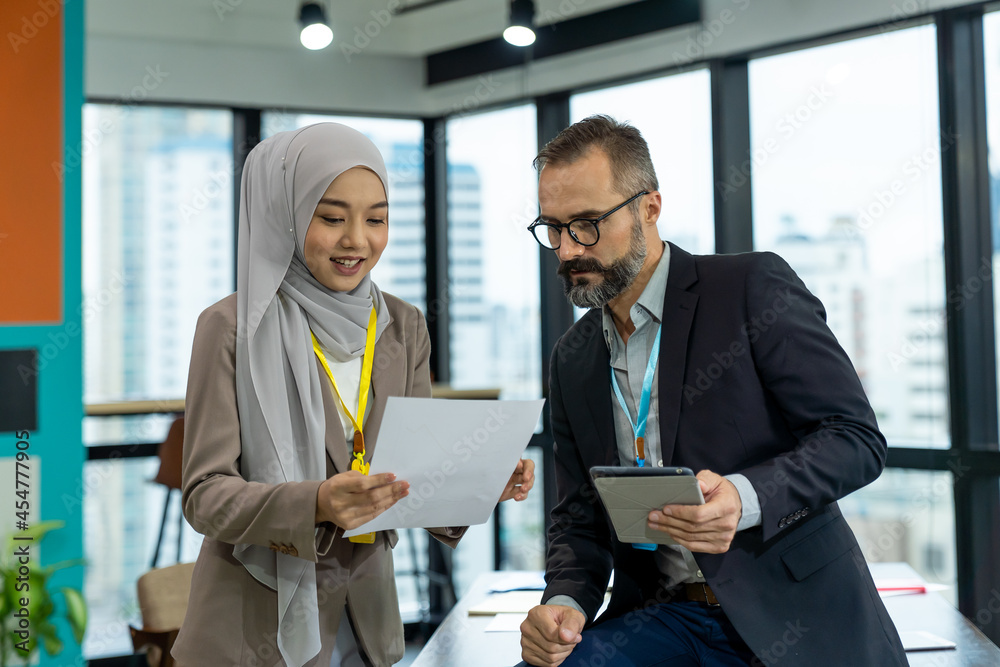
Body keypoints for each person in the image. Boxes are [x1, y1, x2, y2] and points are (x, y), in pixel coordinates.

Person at [517, 115, 907, 667]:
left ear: (648, 208)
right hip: (664, 617)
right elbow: (578, 517)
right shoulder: (573, 357)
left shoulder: (750, 288)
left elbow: (855, 438)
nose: (565, 251)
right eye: (552, 228)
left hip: (792, 614)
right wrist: (565, 602)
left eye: (586, 224)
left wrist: (746, 498)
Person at [170, 122, 534, 667]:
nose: (357, 240)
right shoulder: (230, 328)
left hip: (367, 624)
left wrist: (481, 479)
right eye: (332, 217)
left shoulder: (403, 326)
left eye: (377, 219)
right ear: (287, 216)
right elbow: (205, 495)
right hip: (251, 631)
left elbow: (413, 474)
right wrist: (315, 503)